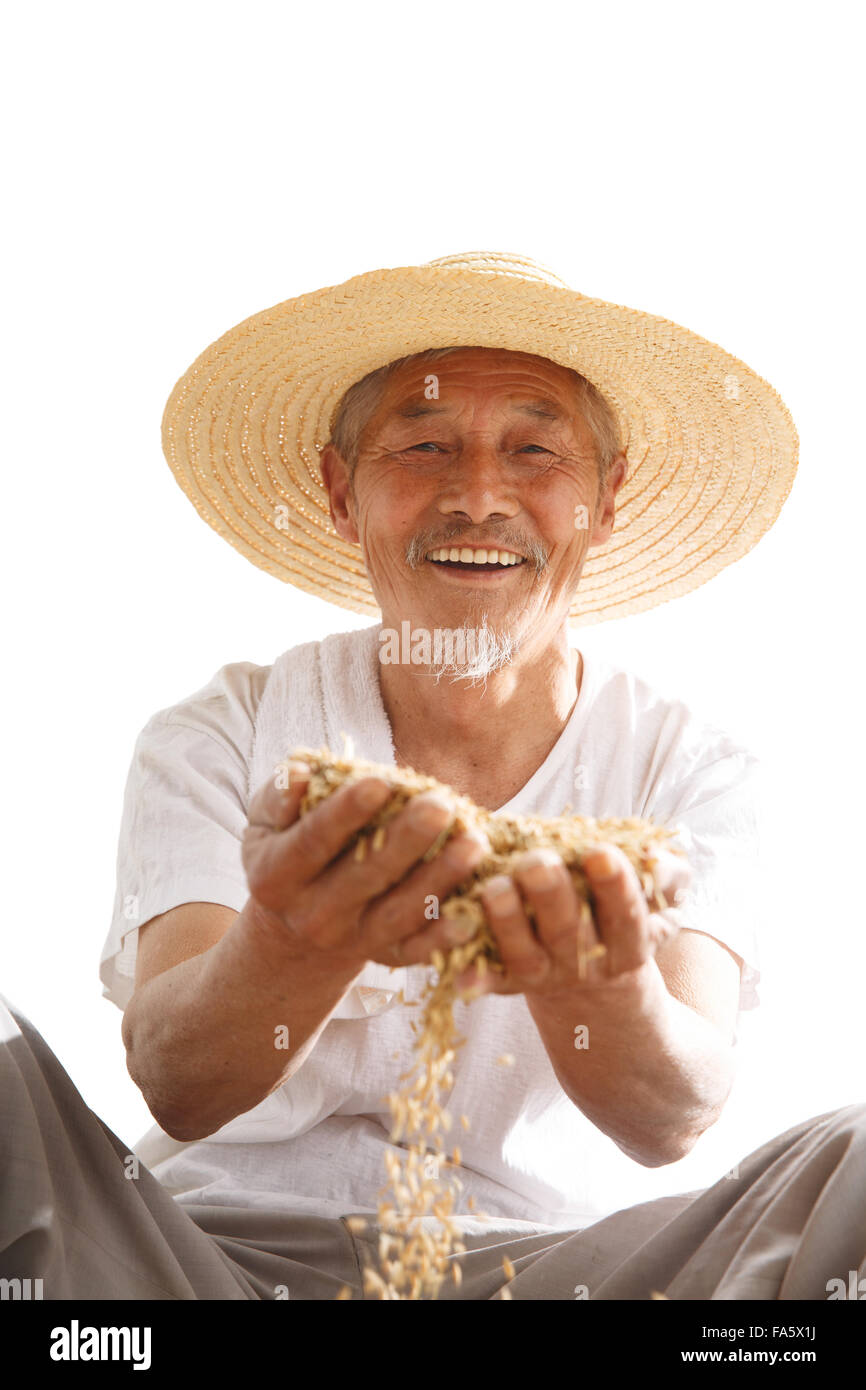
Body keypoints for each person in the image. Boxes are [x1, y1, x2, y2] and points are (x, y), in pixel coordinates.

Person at [2, 252, 863, 1301]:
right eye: (423, 446)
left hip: (558, 1273)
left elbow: (671, 1117)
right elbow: (179, 1085)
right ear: (338, 491)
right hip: (208, 1262)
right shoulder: (226, 733)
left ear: (603, 498)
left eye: (534, 451)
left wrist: (598, 985)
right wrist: (288, 941)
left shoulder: (687, 768)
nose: (476, 495)